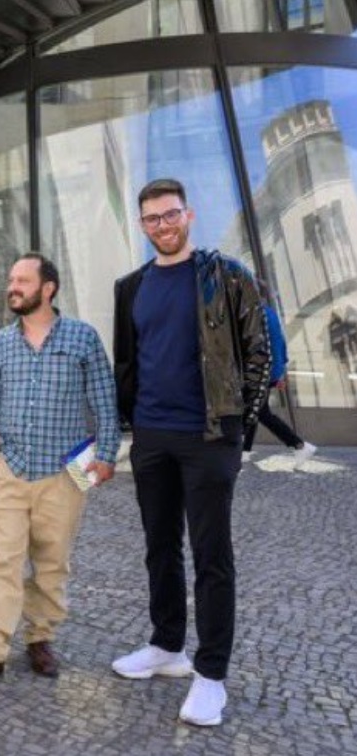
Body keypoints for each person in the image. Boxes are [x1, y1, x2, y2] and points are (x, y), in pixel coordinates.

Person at [111, 178, 270, 727]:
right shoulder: (130, 287)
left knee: (211, 557)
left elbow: (261, 352)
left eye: (170, 214)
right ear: (142, 225)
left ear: (189, 215)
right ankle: (167, 646)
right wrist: (129, 424)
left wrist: (237, 429)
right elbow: (128, 364)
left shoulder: (225, 276)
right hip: (151, 437)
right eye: (152, 218)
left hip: (208, 439)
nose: (162, 224)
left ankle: (212, 675)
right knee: (159, 548)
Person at [0, 253, 121, 688]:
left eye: (22, 280)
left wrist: (106, 455)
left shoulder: (83, 339)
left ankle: (39, 636)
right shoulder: (3, 342)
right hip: (11, 468)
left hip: (63, 473)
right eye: (11, 279)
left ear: (48, 288)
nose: (12, 287)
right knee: (3, 561)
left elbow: (106, 404)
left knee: (52, 563)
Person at [242, 282, 316, 468]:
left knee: (259, 412)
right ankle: (244, 452)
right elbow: (281, 343)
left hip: (259, 372)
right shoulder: (269, 313)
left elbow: (250, 346)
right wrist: (280, 372)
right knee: (255, 409)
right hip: (269, 371)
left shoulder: (255, 315)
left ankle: (300, 445)